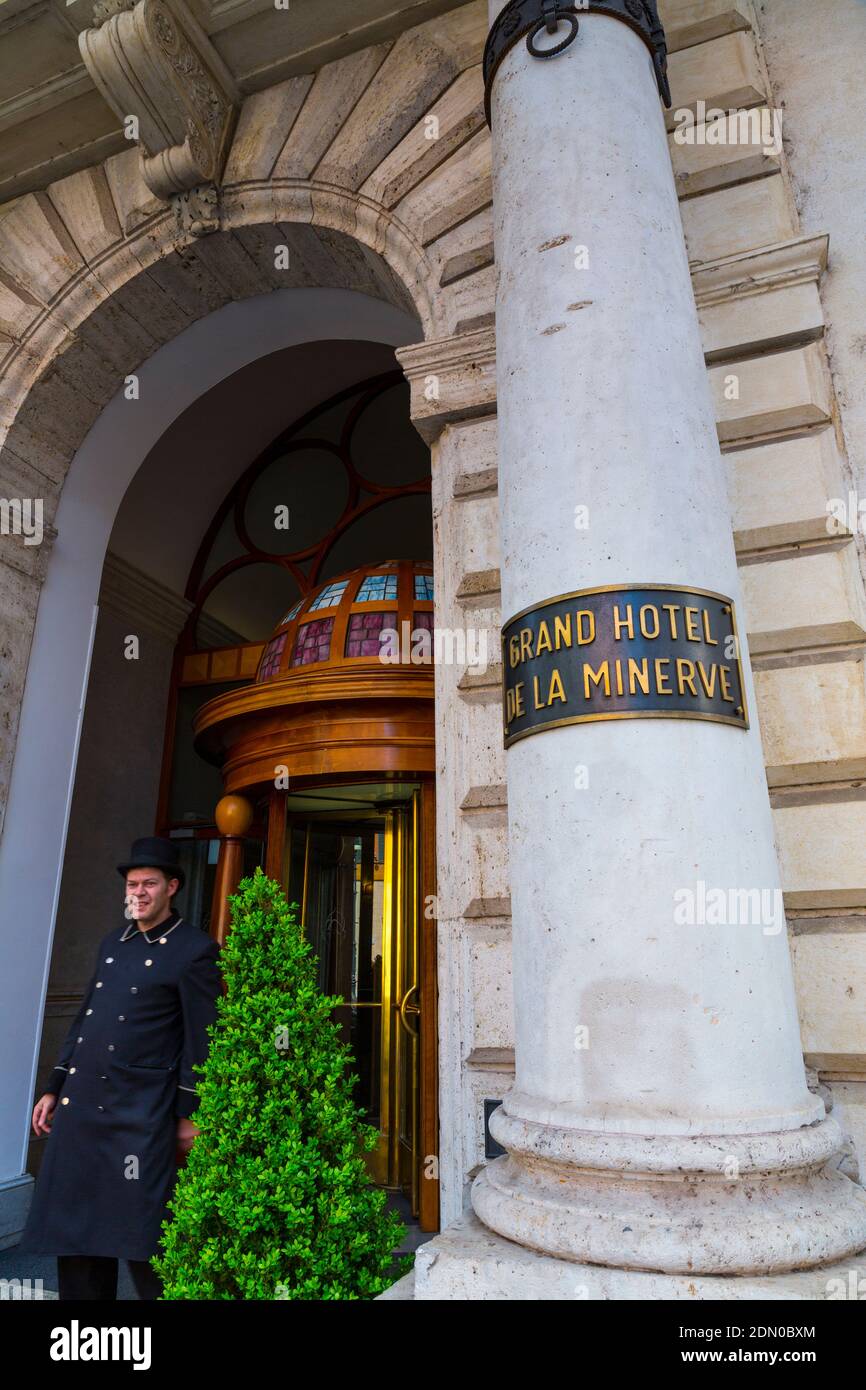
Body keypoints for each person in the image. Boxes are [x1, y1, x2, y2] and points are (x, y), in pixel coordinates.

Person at [18, 837, 222, 1300]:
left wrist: (190, 1114)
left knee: (142, 1233)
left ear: (172, 887)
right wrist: (55, 1086)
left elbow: (203, 1041)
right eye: (132, 884)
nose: (139, 892)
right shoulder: (113, 943)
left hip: (141, 1115)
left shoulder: (194, 950)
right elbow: (85, 1020)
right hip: (83, 1109)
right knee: (77, 1232)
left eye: (150, 883)